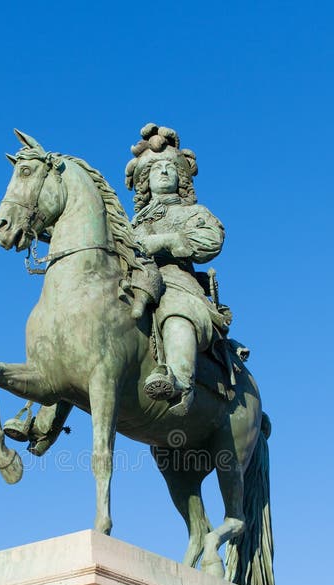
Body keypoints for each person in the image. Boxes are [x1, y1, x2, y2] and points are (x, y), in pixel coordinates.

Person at [125, 123, 230, 415]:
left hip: (176, 282)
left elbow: (211, 240)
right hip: (133, 280)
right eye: (155, 168)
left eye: (169, 168)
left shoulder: (193, 212)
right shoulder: (129, 224)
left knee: (175, 312)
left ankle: (180, 384)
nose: (162, 172)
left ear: (180, 176)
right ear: (144, 179)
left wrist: (164, 241)